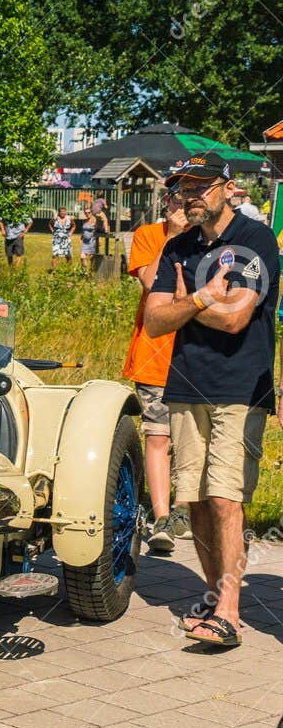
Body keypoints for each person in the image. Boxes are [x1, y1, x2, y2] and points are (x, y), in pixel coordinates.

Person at [144, 155, 281, 649]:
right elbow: (154, 322)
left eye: (201, 185)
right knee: (197, 498)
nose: (191, 194)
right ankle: (211, 595)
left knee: (226, 497)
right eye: (183, 187)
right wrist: (203, 299)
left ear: (227, 188)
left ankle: (229, 612)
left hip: (239, 385)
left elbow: (236, 320)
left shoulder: (255, 241)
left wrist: (186, 303)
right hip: (185, 383)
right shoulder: (177, 245)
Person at [124, 189, 190, 554]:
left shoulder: (211, 238)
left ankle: (184, 510)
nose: (180, 206)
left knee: (193, 440)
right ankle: (161, 518)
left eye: (188, 197)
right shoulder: (149, 235)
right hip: (155, 354)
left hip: (199, 355)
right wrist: (170, 238)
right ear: (166, 202)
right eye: (175, 199)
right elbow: (151, 283)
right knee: (158, 436)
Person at [78, 198, 99, 265]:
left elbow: (98, 231)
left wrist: (100, 240)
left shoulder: (95, 220)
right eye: (86, 213)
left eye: (89, 212)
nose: (87, 214)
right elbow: (83, 231)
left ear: (91, 212)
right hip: (85, 242)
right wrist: (81, 238)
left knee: (92, 258)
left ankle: (91, 272)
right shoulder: (84, 221)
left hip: (92, 242)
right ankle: (84, 273)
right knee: (82, 257)